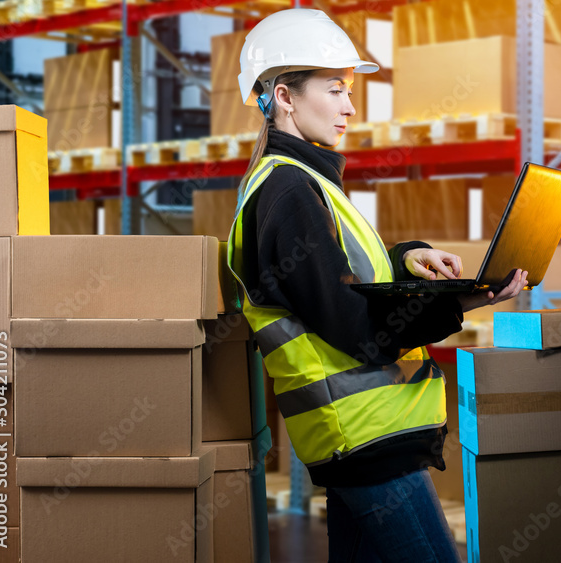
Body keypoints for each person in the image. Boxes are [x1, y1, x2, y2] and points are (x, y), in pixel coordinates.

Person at [226, 9, 528, 562]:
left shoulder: (306, 183)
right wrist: (459, 302)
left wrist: (408, 257)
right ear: (285, 97)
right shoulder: (289, 191)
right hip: (364, 441)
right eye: (336, 88)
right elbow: (356, 328)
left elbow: (341, 279)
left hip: (364, 441)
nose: (350, 106)